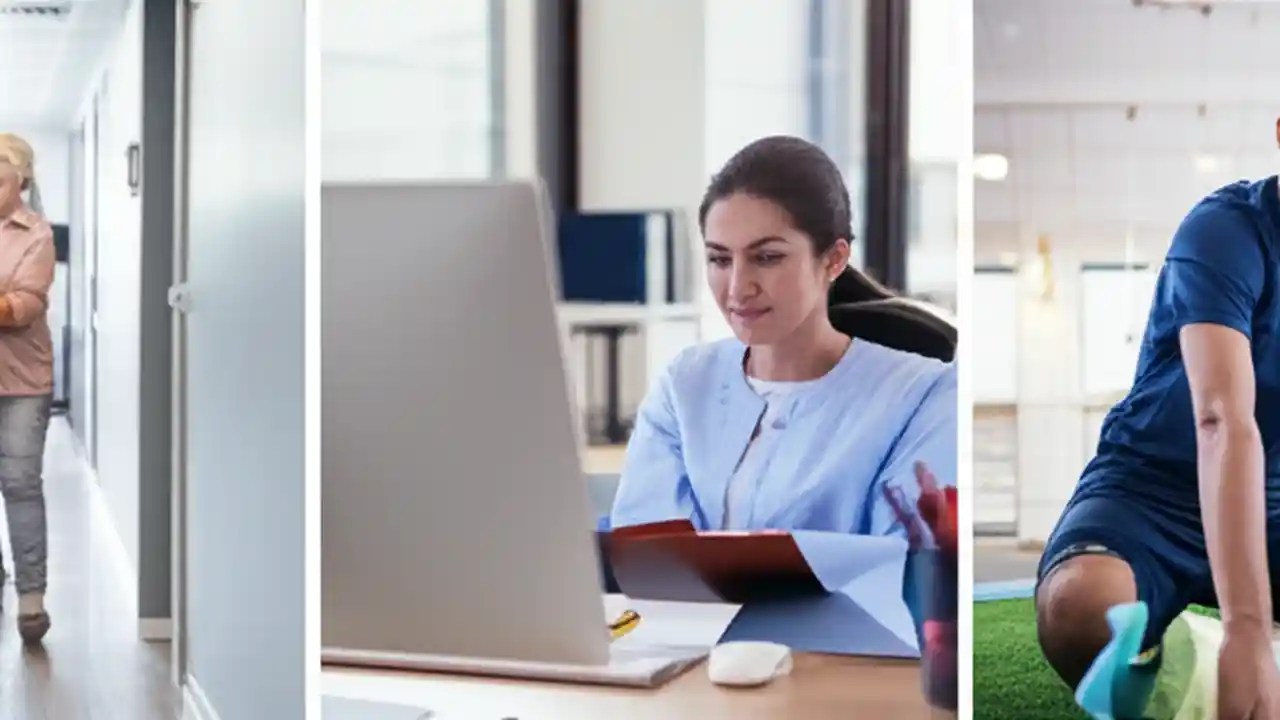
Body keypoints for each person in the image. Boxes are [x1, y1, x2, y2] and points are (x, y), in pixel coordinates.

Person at [1035, 118, 1280, 720]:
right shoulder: (1225, 228)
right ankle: (1187, 664)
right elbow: (1222, 417)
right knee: (1079, 607)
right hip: (1149, 486)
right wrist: (1245, 626)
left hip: (1271, 498)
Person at [609, 135, 956, 540]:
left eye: (767, 257)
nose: (738, 287)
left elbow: (904, 564)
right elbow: (645, 550)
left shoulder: (920, 394)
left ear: (834, 259)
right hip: (680, 607)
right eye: (720, 259)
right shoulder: (684, 383)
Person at [0, 132, 56, 645]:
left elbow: (22, 305)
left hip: (21, 382)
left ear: (21, 179)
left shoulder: (36, 234)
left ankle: (31, 599)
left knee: (19, 485)